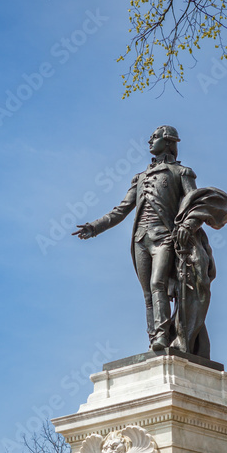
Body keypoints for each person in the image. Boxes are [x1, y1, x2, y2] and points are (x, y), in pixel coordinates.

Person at [72, 126, 198, 351]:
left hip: (164, 237)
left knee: (158, 283)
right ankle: (154, 340)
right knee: (148, 293)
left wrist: (188, 226)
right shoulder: (139, 178)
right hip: (141, 239)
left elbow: (193, 205)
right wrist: (95, 227)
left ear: (168, 142)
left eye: (155, 137)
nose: (150, 140)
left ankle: (162, 335)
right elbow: (120, 210)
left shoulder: (182, 173)